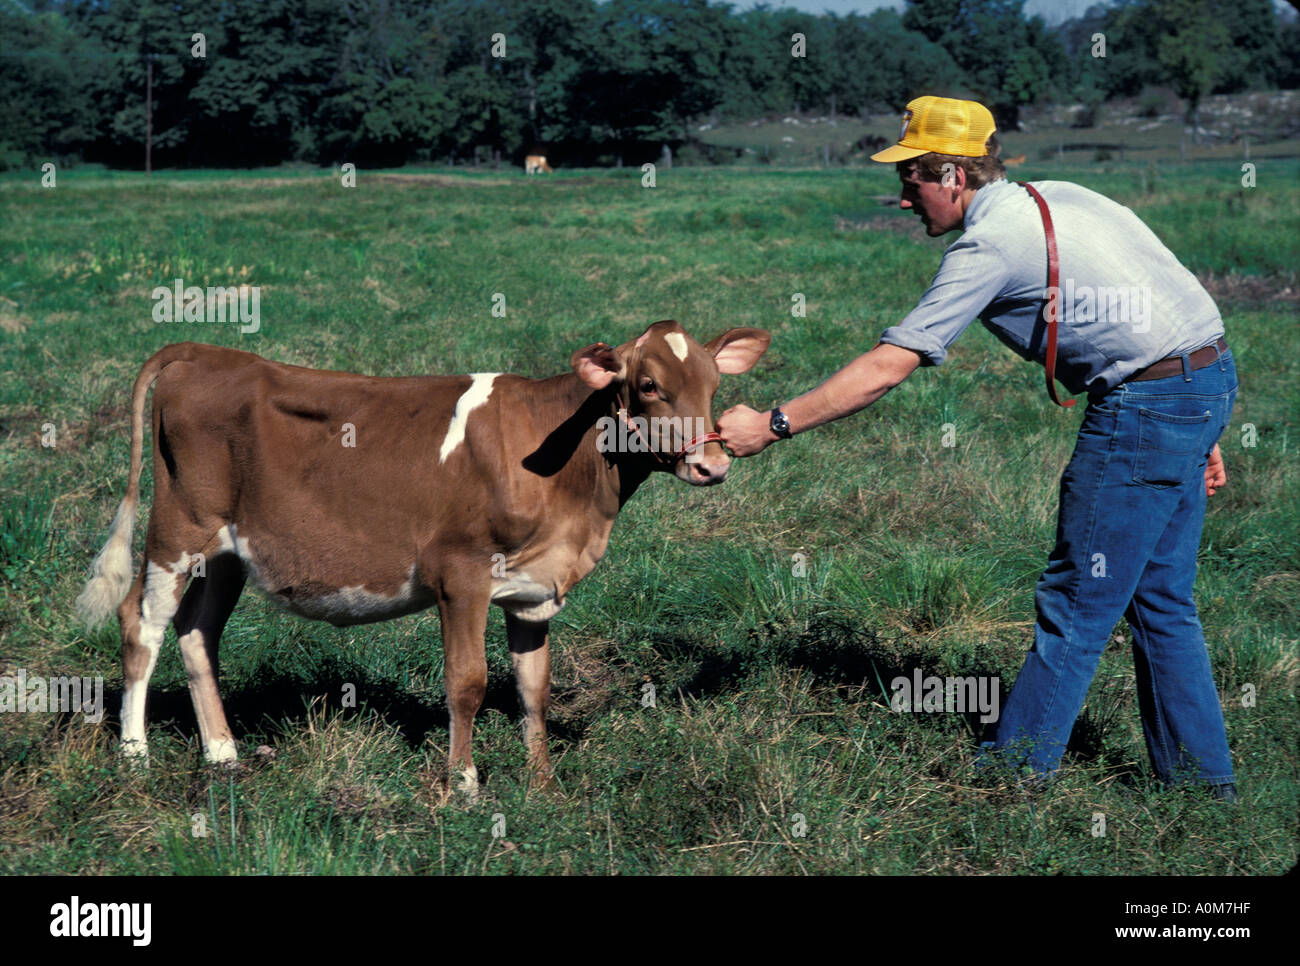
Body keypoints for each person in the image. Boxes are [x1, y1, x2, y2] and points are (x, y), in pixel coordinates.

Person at [716, 95, 1239, 799]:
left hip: (1151, 407)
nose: (905, 201)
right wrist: (1201, 424)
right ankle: (1204, 793)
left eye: (912, 181)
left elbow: (887, 366)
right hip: (1202, 374)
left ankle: (1011, 783)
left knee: (1077, 598)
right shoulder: (1060, 195)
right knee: (1162, 600)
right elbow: (1172, 291)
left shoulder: (990, 245)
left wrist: (770, 425)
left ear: (954, 175)